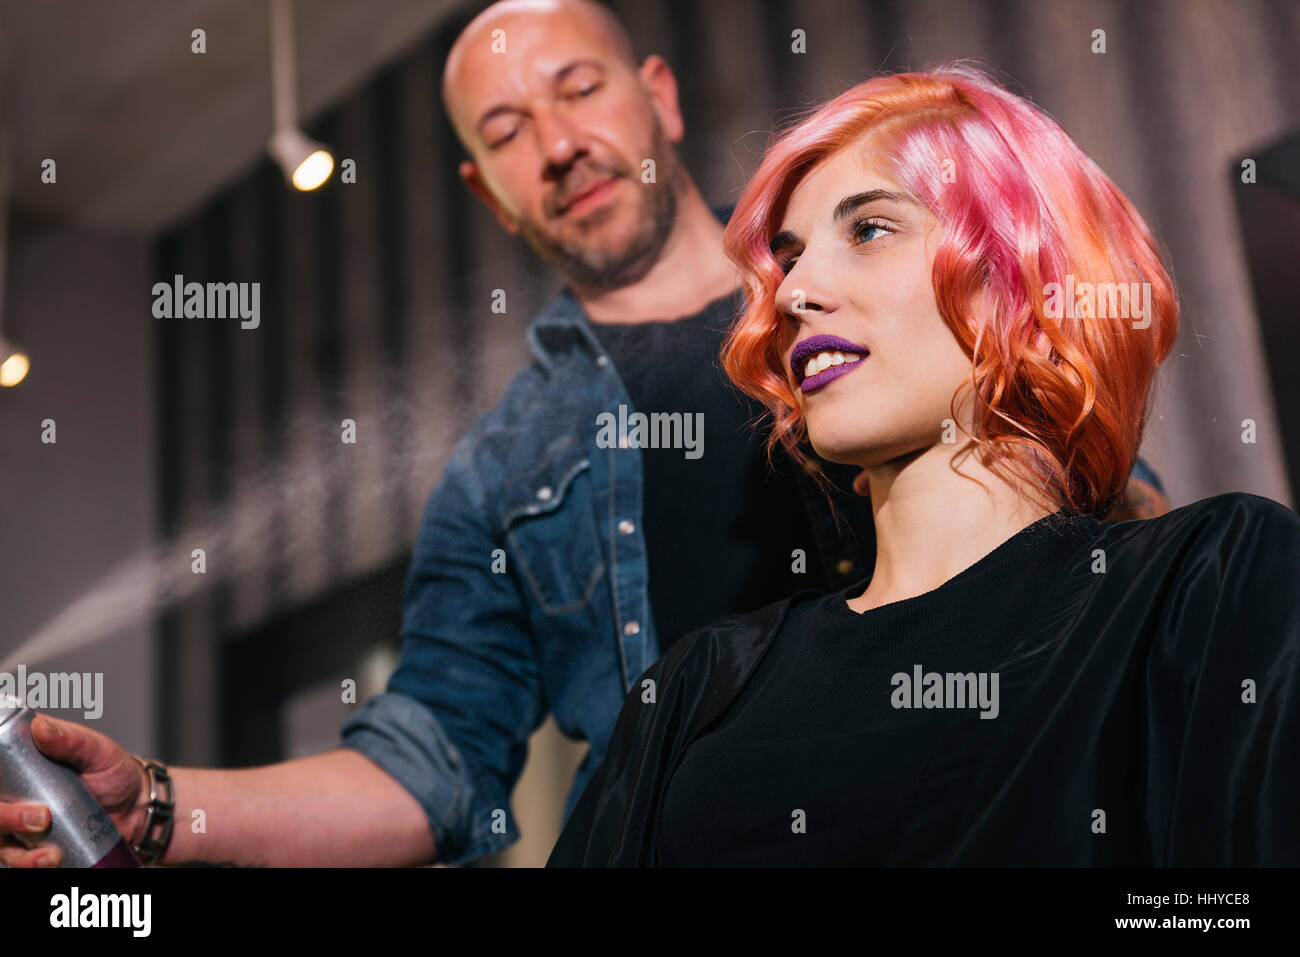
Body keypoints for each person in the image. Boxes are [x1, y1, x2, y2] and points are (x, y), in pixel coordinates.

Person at [0, 5, 1164, 869]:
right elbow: (430, 765)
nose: (555, 144)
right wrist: (158, 804)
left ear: (657, 93)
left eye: (577, 89)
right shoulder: (503, 471)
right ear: (485, 190)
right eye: (506, 131)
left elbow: (1091, 508)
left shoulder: (888, 303)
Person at [548, 64, 1300, 867]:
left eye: (870, 229)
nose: (795, 291)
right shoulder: (693, 694)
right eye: (790, 258)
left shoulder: (1207, 587)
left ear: (1029, 290)